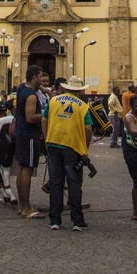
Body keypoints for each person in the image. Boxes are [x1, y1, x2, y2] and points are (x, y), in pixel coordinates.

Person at [42, 75, 93, 231]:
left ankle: (55, 220)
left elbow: (44, 121)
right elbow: (88, 129)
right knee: (74, 184)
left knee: (56, 182)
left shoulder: (52, 101)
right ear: (79, 90)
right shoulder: (83, 106)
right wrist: (86, 146)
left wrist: (46, 138)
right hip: (73, 147)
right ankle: (77, 221)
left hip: (53, 144)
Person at [14, 65, 44, 218]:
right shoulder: (32, 95)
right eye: (40, 77)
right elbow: (30, 117)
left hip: (20, 132)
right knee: (27, 170)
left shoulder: (21, 89)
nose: (42, 80)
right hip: (29, 134)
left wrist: (44, 90)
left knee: (21, 168)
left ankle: (22, 205)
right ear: (33, 77)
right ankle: (27, 209)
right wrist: (45, 115)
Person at [121, 94, 137, 221]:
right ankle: (136, 211)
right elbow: (133, 131)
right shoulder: (128, 117)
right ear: (131, 106)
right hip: (131, 152)